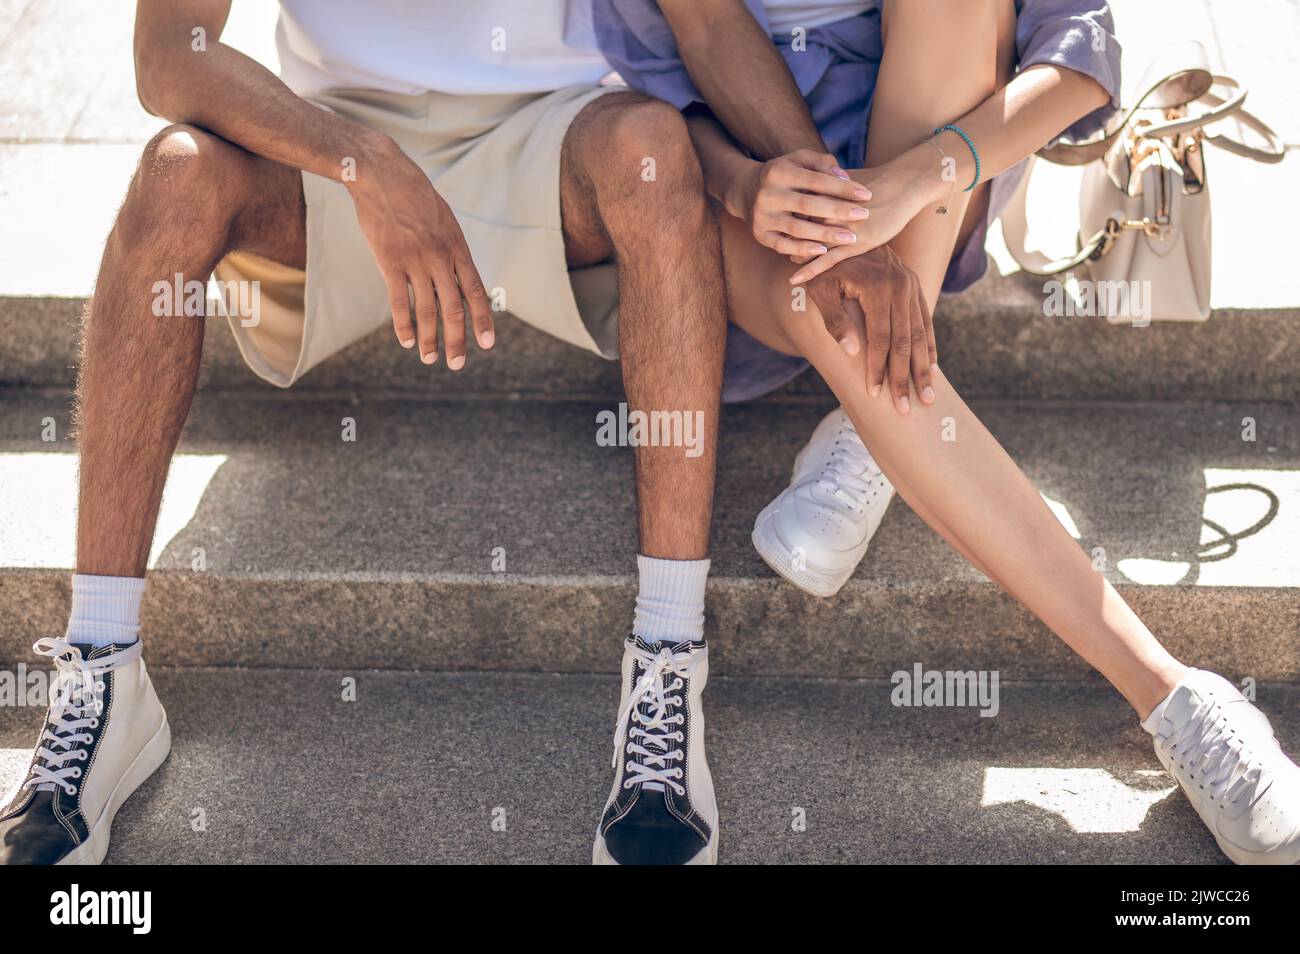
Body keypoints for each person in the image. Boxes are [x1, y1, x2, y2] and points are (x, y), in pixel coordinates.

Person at [0, 0, 730, 865]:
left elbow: (711, 22)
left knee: (651, 153)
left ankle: (667, 660)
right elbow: (169, 57)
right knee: (175, 172)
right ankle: (104, 668)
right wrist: (364, 161)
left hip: (553, 136)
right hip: (330, 150)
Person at [589, 0, 1300, 865]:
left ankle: (1184, 705)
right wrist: (757, 186)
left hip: (925, 177)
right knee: (841, 307)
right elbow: (677, 64)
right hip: (754, 198)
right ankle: (1168, 689)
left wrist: (917, 180)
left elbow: (1081, 59)